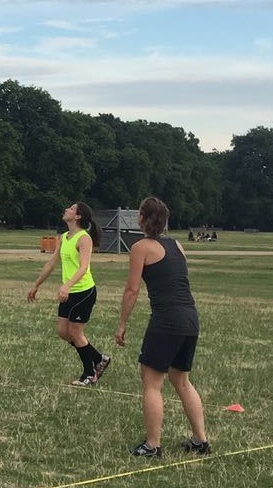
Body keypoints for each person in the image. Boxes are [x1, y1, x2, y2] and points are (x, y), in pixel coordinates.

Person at [114, 196, 209, 458]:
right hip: (190, 318)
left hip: (167, 320)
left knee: (152, 383)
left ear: (142, 218)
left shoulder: (141, 247)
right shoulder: (177, 244)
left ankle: (152, 445)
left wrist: (122, 324)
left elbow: (132, 290)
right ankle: (201, 441)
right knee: (182, 381)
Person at [29, 202, 111, 386]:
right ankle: (99, 358)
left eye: (71, 209)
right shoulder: (64, 237)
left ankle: (89, 374)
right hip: (69, 293)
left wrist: (67, 286)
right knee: (63, 332)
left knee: (75, 332)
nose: (67, 209)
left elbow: (84, 267)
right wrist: (36, 286)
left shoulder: (84, 238)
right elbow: (51, 263)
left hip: (83, 292)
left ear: (78, 216)